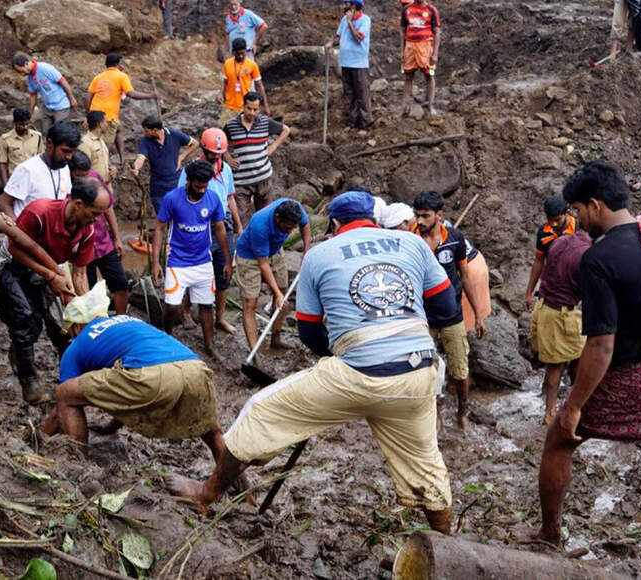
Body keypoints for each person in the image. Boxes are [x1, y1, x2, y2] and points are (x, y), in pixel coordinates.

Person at [169, 191, 461, 535]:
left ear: (334, 224)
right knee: (426, 462)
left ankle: (206, 494)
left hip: (358, 371)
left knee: (261, 409)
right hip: (419, 370)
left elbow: (308, 331)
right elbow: (446, 310)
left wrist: (346, 350)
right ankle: (445, 543)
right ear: (373, 217)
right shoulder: (411, 243)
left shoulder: (319, 255)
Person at [528, 161, 641, 548]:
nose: (578, 220)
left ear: (595, 205)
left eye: (579, 210)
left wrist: (574, 407)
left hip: (629, 374)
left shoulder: (599, 259)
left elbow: (601, 345)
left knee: (558, 440)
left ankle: (549, 534)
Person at [42, 316, 231, 466]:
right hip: (195, 368)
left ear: (76, 327)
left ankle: (81, 467)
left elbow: (63, 403)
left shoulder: (77, 344)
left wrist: (41, 439)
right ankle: (242, 495)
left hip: (153, 374)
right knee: (213, 433)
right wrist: (111, 427)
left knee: (64, 394)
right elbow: (123, 397)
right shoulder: (128, 321)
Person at [0, 178, 109, 404]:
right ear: (78, 203)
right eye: (94, 213)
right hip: (14, 266)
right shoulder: (39, 213)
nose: (97, 219)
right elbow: (14, 247)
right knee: (25, 318)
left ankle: (70, 378)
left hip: (53, 270)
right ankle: (29, 380)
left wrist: (81, 309)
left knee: (62, 325)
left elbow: (80, 273)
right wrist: (50, 276)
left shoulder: (87, 231)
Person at [411, 190, 487, 428]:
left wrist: (477, 315)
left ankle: (461, 412)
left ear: (439, 215)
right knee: (423, 370)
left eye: (425, 216)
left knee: (460, 370)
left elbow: (465, 276)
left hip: (452, 316)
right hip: (423, 318)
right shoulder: (410, 239)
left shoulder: (455, 238)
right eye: (417, 216)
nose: (420, 221)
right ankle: (431, 416)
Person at [150, 160, 231, 356]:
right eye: (197, 186)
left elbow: (220, 228)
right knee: (171, 307)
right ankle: (167, 336)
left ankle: (210, 346)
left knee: (205, 305)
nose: (201, 190)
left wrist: (228, 260)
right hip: (177, 261)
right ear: (188, 181)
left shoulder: (212, 199)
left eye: (205, 186)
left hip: (203, 261)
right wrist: (155, 263)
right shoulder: (172, 199)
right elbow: (160, 228)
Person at [176, 127, 243, 333]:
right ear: (203, 150)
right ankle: (186, 311)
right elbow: (180, 199)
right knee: (195, 271)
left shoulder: (226, 170)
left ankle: (219, 318)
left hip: (224, 224)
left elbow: (229, 196)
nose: (215, 158)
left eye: (218, 155)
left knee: (224, 273)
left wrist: (239, 224)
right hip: (199, 226)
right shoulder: (191, 171)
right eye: (212, 154)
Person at [530, 230, 591, 426]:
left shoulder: (559, 242)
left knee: (556, 364)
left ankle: (551, 410)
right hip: (564, 315)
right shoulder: (586, 253)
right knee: (570, 363)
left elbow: (545, 266)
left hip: (544, 308)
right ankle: (569, 409)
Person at [235, 197, 311, 350]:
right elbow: (263, 264)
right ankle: (254, 351)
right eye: (287, 228)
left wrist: (306, 250)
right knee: (250, 303)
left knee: (283, 292)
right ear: (277, 218)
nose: (290, 232)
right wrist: (275, 293)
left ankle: (275, 338)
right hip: (250, 257)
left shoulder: (295, 209)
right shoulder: (260, 226)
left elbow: (305, 224)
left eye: (292, 228)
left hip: (275, 251)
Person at [69, 152, 129, 316]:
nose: (84, 179)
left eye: (86, 174)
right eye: (80, 175)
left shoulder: (95, 178)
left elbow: (108, 207)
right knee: (88, 291)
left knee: (121, 284)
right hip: (81, 248)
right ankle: (94, 324)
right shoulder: (65, 186)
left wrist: (117, 237)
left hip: (104, 243)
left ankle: (121, 320)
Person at [223, 91, 291, 223]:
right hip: (241, 183)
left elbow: (286, 130)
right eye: (249, 108)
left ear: (259, 109)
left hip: (263, 179)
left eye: (255, 109)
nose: (252, 113)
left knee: (265, 218)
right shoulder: (231, 125)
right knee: (242, 220)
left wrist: (273, 146)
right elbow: (220, 140)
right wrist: (227, 157)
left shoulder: (265, 122)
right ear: (243, 106)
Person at [87, 52, 159, 165]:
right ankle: (103, 165)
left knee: (119, 129)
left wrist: (88, 115)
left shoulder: (98, 77)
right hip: (108, 116)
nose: (123, 66)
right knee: (106, 145)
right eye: (122, 63)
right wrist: (150, 95)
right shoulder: (121, 76)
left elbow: (88, 97)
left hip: (94, 114)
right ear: (117, 64)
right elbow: (131, 94)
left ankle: (122, 157)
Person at [0, 122, 80, 218]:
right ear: (50, 144)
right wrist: (18, 230)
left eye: (72, 152)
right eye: (65, 151)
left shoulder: (64, 168)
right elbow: (4, 204)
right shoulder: (27, 170)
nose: (69, 157)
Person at [131, 115, 198, 213]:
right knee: (162, 216)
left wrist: (181, 157)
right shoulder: (144, 141)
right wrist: (136, 168)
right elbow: (141, 157)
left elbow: (195, 143)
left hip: (176, 182)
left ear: (155, 130)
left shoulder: (174, 135)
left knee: (178, 214)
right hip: (157, 185)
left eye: (146, 131)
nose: (144, 133)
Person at [523, 196, 578, 311]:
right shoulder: (544, 233)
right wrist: (529, 293)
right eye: (550, 219)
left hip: (575, 290)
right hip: (551, 290)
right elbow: (539, 261)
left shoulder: (579, 230)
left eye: (557, 220)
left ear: (567, 213)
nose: (553, 224)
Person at [325, 0, 373, 132]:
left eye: (346, 3)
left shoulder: (365, 20)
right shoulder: (344, 20)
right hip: (345, 62)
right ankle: (352, 122)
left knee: (362, 94)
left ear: (353, 5)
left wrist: (350, 22)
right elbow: (338, 37)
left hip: (359, 64)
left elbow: (359, 38)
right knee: (349, 93)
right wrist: (331, 43)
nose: (343, 6)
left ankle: (365, 124)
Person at [11, 54, 77, 137]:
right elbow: (33, 96)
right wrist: (30, 114)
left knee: (60, 132)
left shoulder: (45, 68)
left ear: (26, 63)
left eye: (21, 71)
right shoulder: (30, 78)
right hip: (47, 108)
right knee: (46, 133)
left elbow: (63, 81)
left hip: (61, 106)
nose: (21, 74)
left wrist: (72, 98)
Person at [400, 0, 442, 116]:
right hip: (410, 47)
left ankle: (430, 105)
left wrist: (435, 54)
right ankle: (404, 106)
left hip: (426, 47)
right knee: (408, 76)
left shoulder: (432, 10)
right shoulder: (406, 9)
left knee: (430, 75)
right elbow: (402, 31)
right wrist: (402, 51)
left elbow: (437, 32)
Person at [219, 38, 268, 126]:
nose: (241, 56)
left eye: (243, 53)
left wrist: (265, 105)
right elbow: (225, 81)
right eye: (238, 54)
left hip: (245, 107)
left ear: (246, 50)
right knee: (223, 131)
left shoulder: (252, 65)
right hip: (229, 106)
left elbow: (259, 86)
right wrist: (220, 93)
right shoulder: (227, 64)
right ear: (233, 52)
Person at [0, 108, 44, 187]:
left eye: (27, 124)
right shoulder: (5, 139)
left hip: (34, 177)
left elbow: (42, 158)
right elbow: (2, 163)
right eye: (21, 125)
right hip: (16, 179)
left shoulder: (37, 136)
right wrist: (6, 185)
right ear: (14, 123)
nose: (25, 127)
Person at [78, 110, 116, 183]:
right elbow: (82, 169)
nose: (107, 124)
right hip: (93, 187)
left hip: (105, 185)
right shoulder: (85, 143)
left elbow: (104, 162)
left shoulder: (101, 141)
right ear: (100, 124)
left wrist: (112, 169)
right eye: (105, 122)